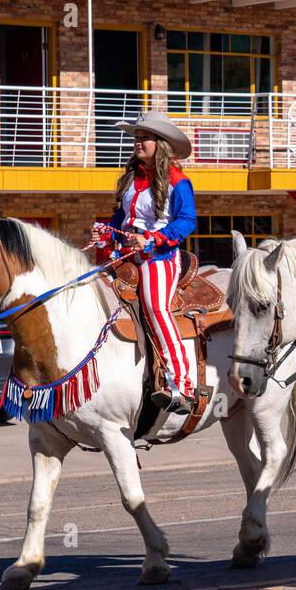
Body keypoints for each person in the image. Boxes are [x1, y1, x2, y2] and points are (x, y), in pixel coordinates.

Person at [91, 110, 198, 415]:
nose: (138, 143)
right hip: (125, 254)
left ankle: (182, 382)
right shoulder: (130, 178)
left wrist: (153, 239)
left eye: (144, 138)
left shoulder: (178, 181)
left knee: (155, 306)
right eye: (137, 138)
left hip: (159, 257)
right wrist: (107, 230)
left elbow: (187, 221)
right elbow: (121, 217)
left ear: (160, 143)